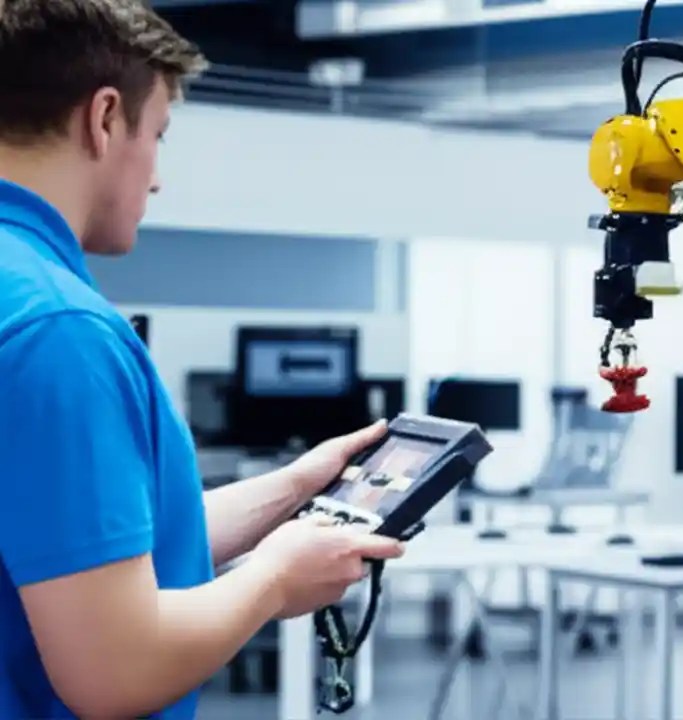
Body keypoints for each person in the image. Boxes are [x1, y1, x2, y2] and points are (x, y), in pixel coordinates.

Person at [0, 2, 406, 718]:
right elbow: (116, 673)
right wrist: (275, 582)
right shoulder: (58, 329)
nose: (156, 179)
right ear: (103, 119)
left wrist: (289, 490)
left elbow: (71, 549)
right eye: (156, 133)